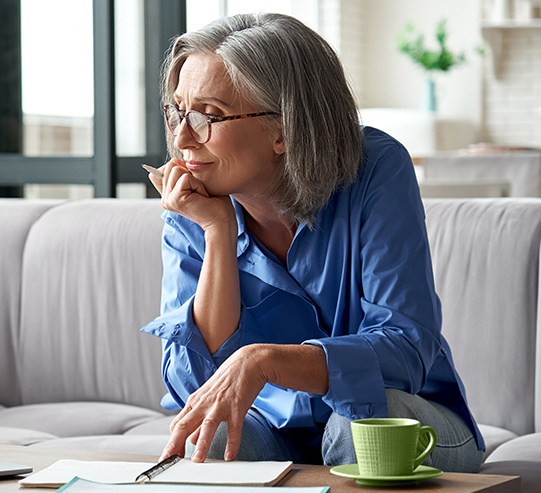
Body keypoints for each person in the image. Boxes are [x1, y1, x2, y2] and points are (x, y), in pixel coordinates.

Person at [140, 12, 484, 473]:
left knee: (357, 426)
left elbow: (406, 349)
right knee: (213, 435)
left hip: (406, 416)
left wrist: (265, 361)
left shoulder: (376, 169)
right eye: (177, 112)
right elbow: (194, 386)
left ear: (284, 129)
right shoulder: (194, 202)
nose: (182, 138)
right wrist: (217, 233)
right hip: (275, 428)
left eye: (208, 116)